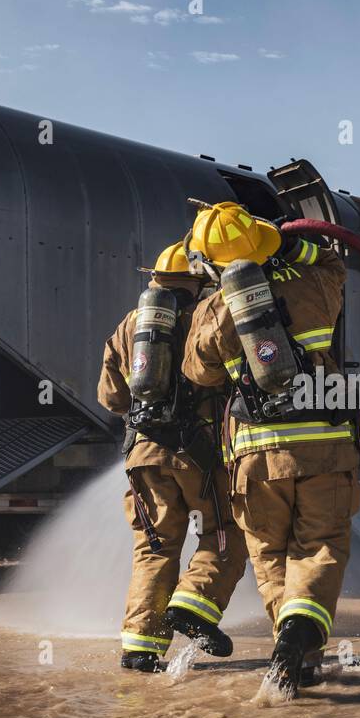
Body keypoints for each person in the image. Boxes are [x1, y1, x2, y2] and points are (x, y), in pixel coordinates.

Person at [181, 201, 360, 696]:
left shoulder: (215, 309)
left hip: (255, 458)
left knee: (272, 559)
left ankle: (296, 660)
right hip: (324, 448)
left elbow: (197, 372)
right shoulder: (313, 287)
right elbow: (334, 262)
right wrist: (287, 244)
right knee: (319, 546)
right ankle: (299, 642)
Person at [97, 240, 249, 672]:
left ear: (156, 280)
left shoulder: (128, 327)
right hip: (201, 457)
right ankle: (196, 606)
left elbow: (110, 397)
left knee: (154, 547)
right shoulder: (209, 316)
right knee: (226, 532)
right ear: (199, 281)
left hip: (143, 456)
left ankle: (140, 649)